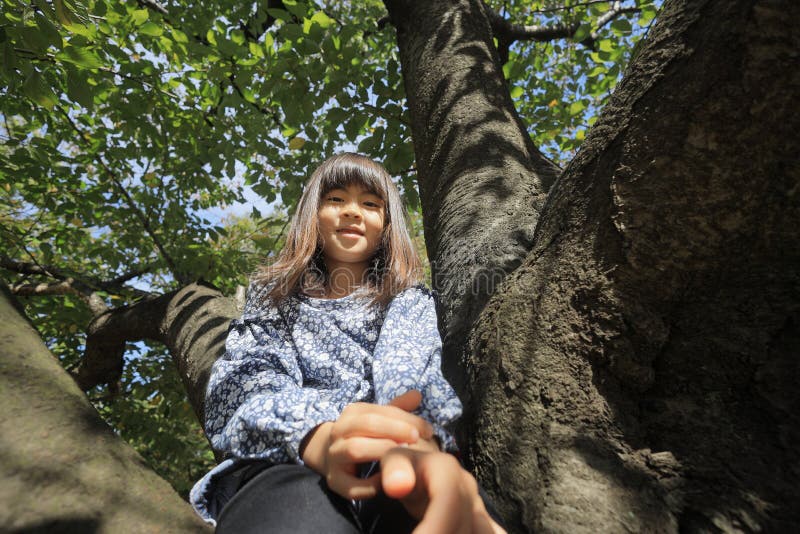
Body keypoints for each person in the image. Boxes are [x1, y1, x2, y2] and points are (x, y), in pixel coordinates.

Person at [190, 153, 506, 533]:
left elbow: (407, 372)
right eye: (336, 199)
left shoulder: (409, 300)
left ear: (387, 224)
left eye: (371, 204)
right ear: (313, 214)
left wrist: (417, 443)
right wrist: (317, 435)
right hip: (290, 459)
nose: (353, 212)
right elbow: (247, 379)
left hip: (390, 453)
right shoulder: (275, 298)